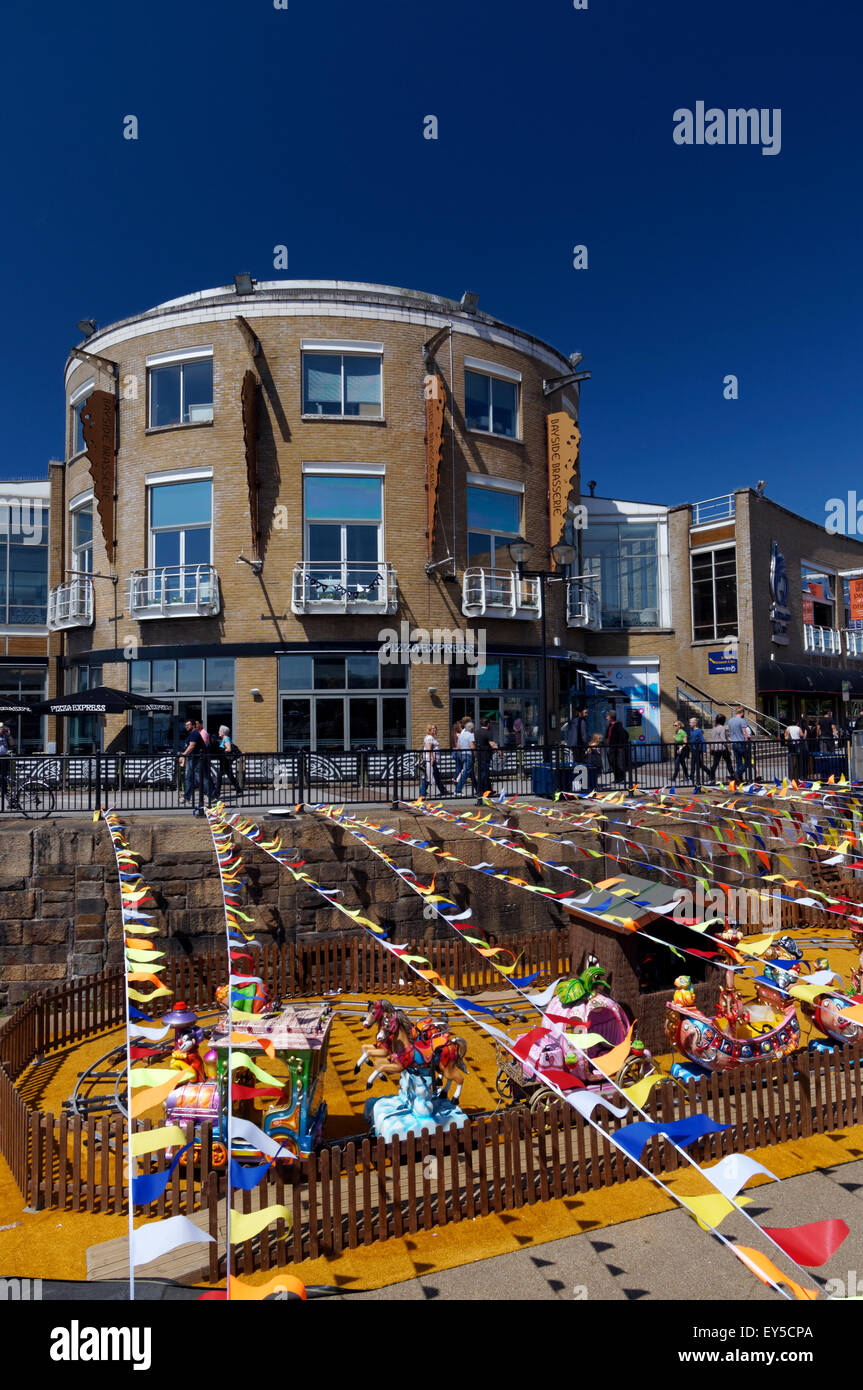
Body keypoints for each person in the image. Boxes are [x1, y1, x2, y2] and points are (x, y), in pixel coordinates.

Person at [180, 719, 206, 813]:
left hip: (197, 759)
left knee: (199, 778)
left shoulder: (195, 733)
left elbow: (192, 746)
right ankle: (187, 797)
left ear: (193, 725)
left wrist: (183, 755)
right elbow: (188, 746)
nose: (186, 726)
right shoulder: (190, 734)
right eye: (185, 725)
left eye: (188, 725)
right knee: (188, 778)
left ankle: (212, 796)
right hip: (191, 758)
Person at [419, 723, 448, 798]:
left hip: (431, 760)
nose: (435, 730)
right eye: (433, 728)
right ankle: (422, 793)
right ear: (429, 730)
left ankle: (442, 790)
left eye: (435, 728)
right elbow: (429, 749)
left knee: (436, 776)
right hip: (429, 761)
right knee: (429, 776)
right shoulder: (429, 738)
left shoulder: (430, 737)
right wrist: (432, 758)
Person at [474, 717, 498, 801]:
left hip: (479, 755)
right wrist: (499, 751)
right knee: (484, 774)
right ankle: (481, 791)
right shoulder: (488, 733)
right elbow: (492, 744)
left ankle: (488, 790)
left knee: (483, 773)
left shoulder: (476, 732)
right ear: (488, 724)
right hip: (485, 755)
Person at [214, 725, 241, 797]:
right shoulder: (225, 739)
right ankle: (238, 790)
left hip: (225, 761)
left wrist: (222, 751)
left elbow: (228, 749)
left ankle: (217, 793)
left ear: (223, 732)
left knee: (219, 775)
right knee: (230, 776)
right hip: (224, 761)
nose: (218, 732)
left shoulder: (226, 739)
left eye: (220, 731)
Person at [727, 707, 753, 781]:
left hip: (733, 743)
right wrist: (748, 738)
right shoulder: (742, 721)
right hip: (741, 743)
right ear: (742, 712)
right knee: (748, 761)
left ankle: (739, 779)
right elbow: (744, 733)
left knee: (739, 762)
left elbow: (731, 732)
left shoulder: (730, 721)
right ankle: (736, 774)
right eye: (743, 713)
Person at [605, 710, 629, 784]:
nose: (606, 718)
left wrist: (620, 746)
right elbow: (608, 735)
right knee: (612, 763)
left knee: (618, 763)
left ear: (611, 717)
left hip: (617, 747)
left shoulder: (618, 725)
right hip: (611, 747)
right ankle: (617, 778)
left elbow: (623, 736)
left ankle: (620, 778)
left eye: (607, 716)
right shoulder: (609, 725)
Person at [708, 714, 735, 784]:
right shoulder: (722, 728)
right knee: (728, 762)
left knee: (715, 763)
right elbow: (723, 738)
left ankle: (711, 778)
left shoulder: (714, 728)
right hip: (722, 748)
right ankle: (733, 776)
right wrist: (728, 744)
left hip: (715, 748)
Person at [454, 719, 476, 795]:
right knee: (466, 773)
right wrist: (474, 755)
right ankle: (458, 790)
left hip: (463, 754)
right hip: (469, 754)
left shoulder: (461, 735)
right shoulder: (471, 735)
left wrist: (461, 755)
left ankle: (478, 789)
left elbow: (458, 747)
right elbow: (472, 747)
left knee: (471, 773)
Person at [688, 717, 707, 790]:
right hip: (693, 749)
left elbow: (703, 740)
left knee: (695, 764)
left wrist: (704, 750)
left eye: (690, 722)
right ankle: (692, 777)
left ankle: (692, 777)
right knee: (697, 764)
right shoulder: (691, 730)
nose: (689, 724)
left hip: (698, 750)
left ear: (694, 723)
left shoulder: (699, 731)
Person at [671, 720, 689, 785]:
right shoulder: (676, 732)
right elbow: (677, 741)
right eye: (674, 725)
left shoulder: (682, 732)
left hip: (683, 749)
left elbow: (685, 742)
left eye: (675, 725)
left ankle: (674, 777)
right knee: (683, 763)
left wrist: (680, 749)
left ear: (679, 726)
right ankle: (687, 776)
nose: (674, 726)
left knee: (677, 762)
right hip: (678, 749)